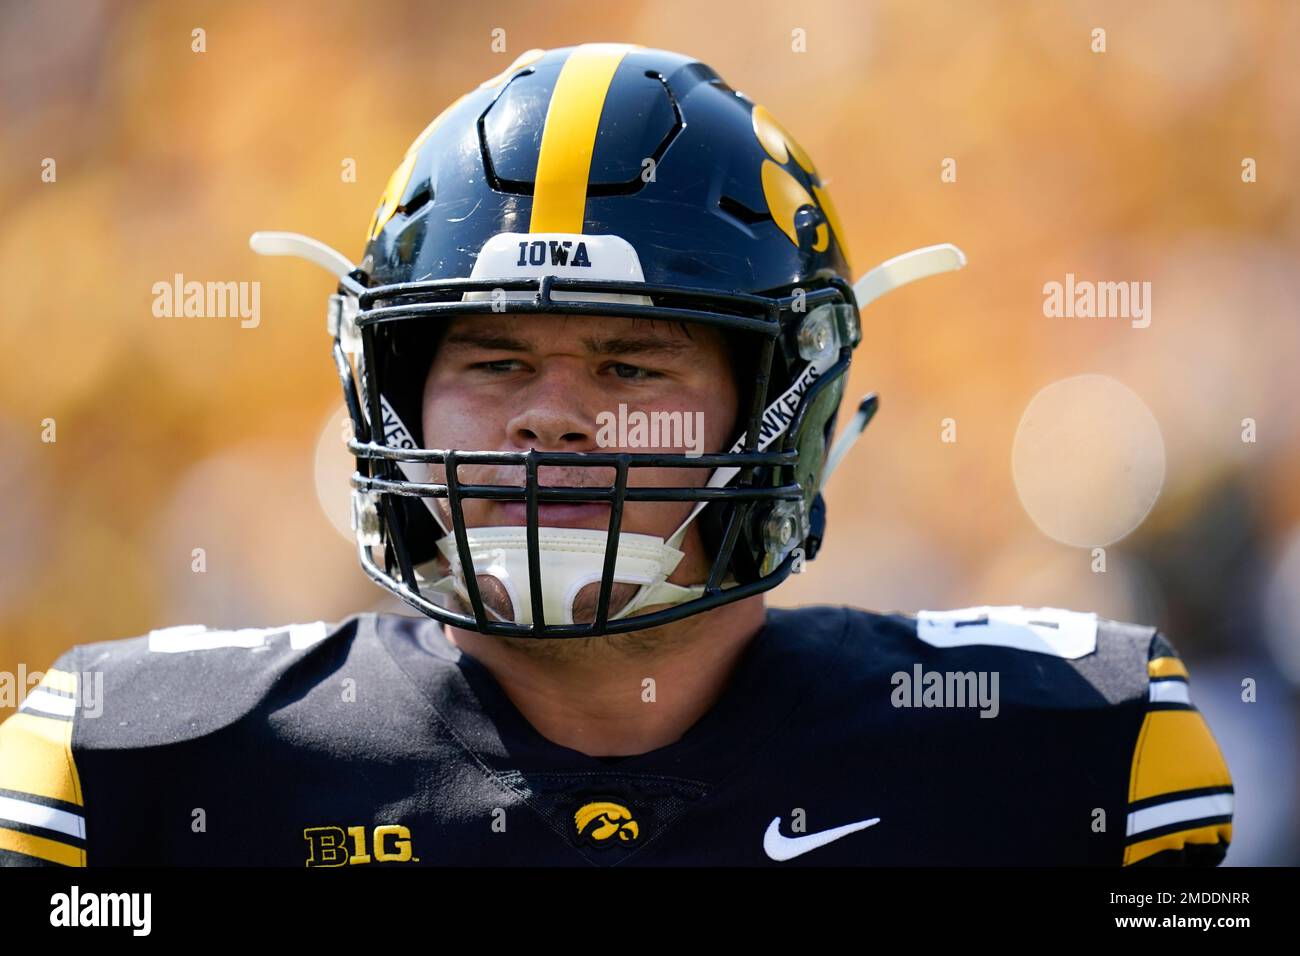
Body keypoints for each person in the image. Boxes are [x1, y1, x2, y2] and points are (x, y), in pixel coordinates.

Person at [0, 43, 1233, 866]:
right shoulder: (141, 770)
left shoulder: (1056, 745)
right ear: (395, 396)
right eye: (491, 361)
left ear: (781, 403)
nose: (551, 416)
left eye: (628, 365)